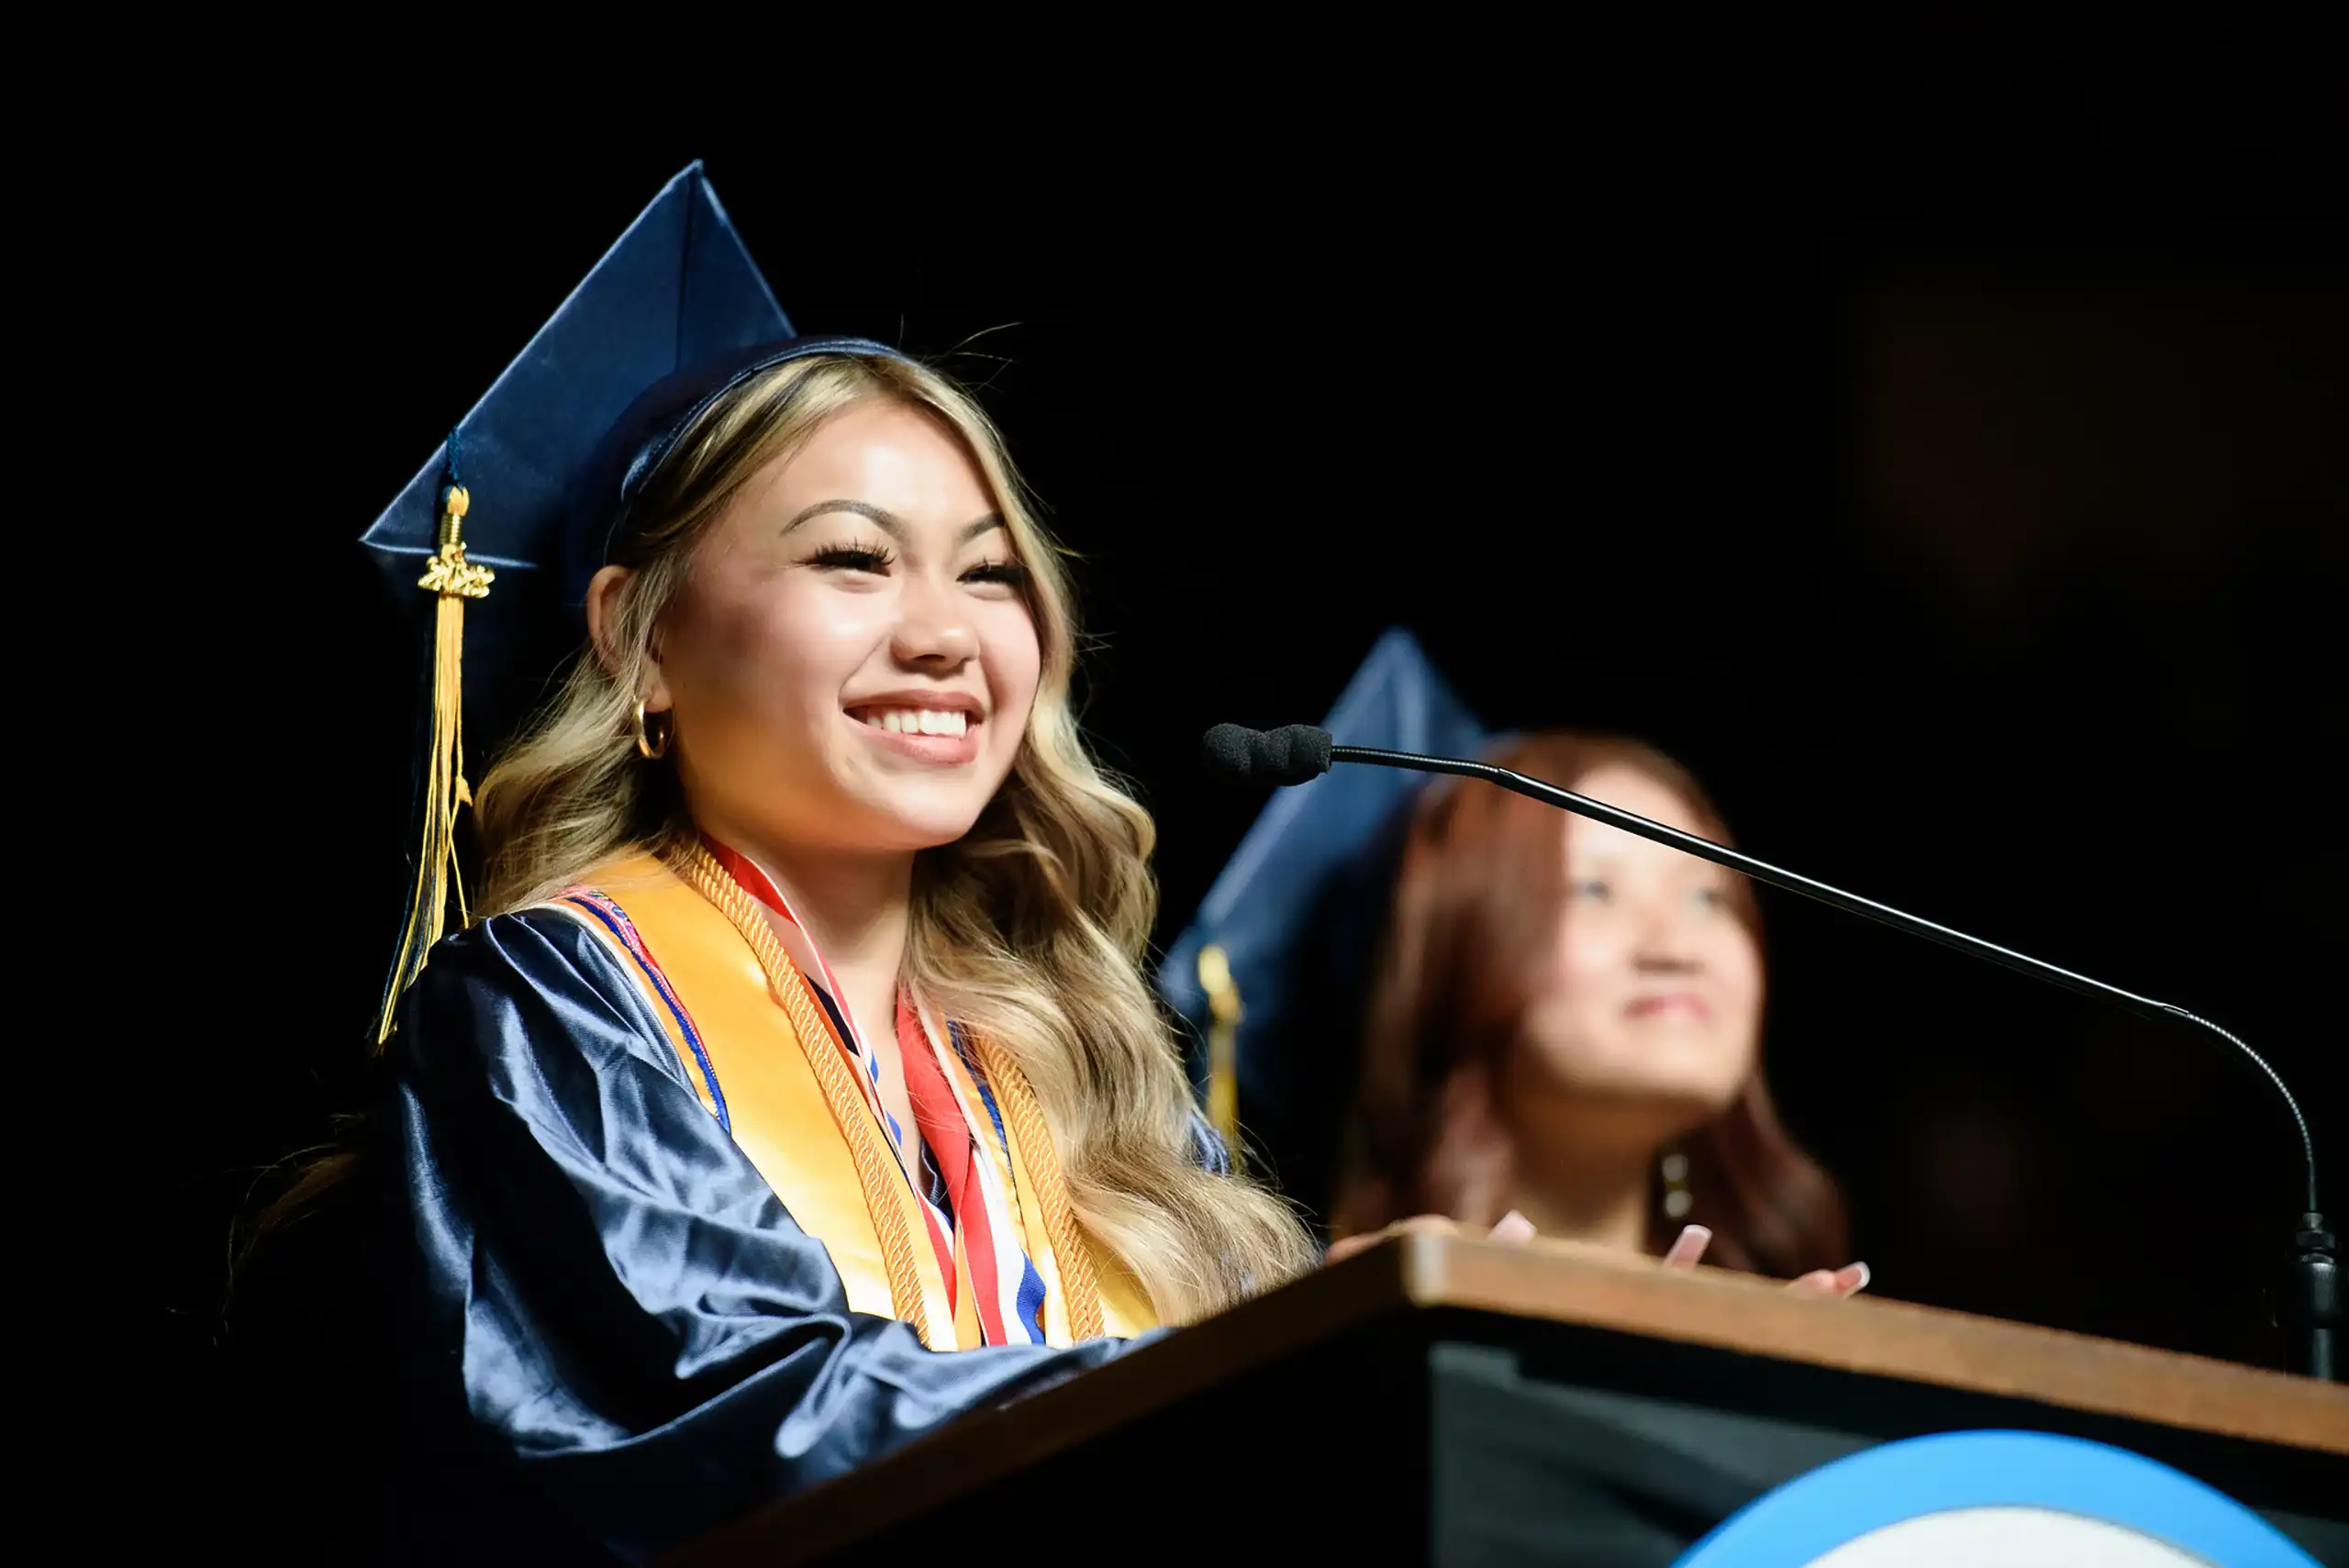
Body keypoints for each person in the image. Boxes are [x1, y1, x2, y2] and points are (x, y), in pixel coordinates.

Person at [345, 166, 1319, 1563]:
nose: (945, 633)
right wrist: (1282, 1377)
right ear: (639, 638)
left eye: (988, 572)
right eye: (855, 558)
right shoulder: (556, 1006)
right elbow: (749, 1415)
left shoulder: (1079, 1066)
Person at [1161, 631, 1863, 1293]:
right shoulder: (1326, 1315)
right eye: (1595, 889)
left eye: (1706, 897)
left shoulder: (1786, 1313)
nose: (1675, 946)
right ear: (1457, 956)